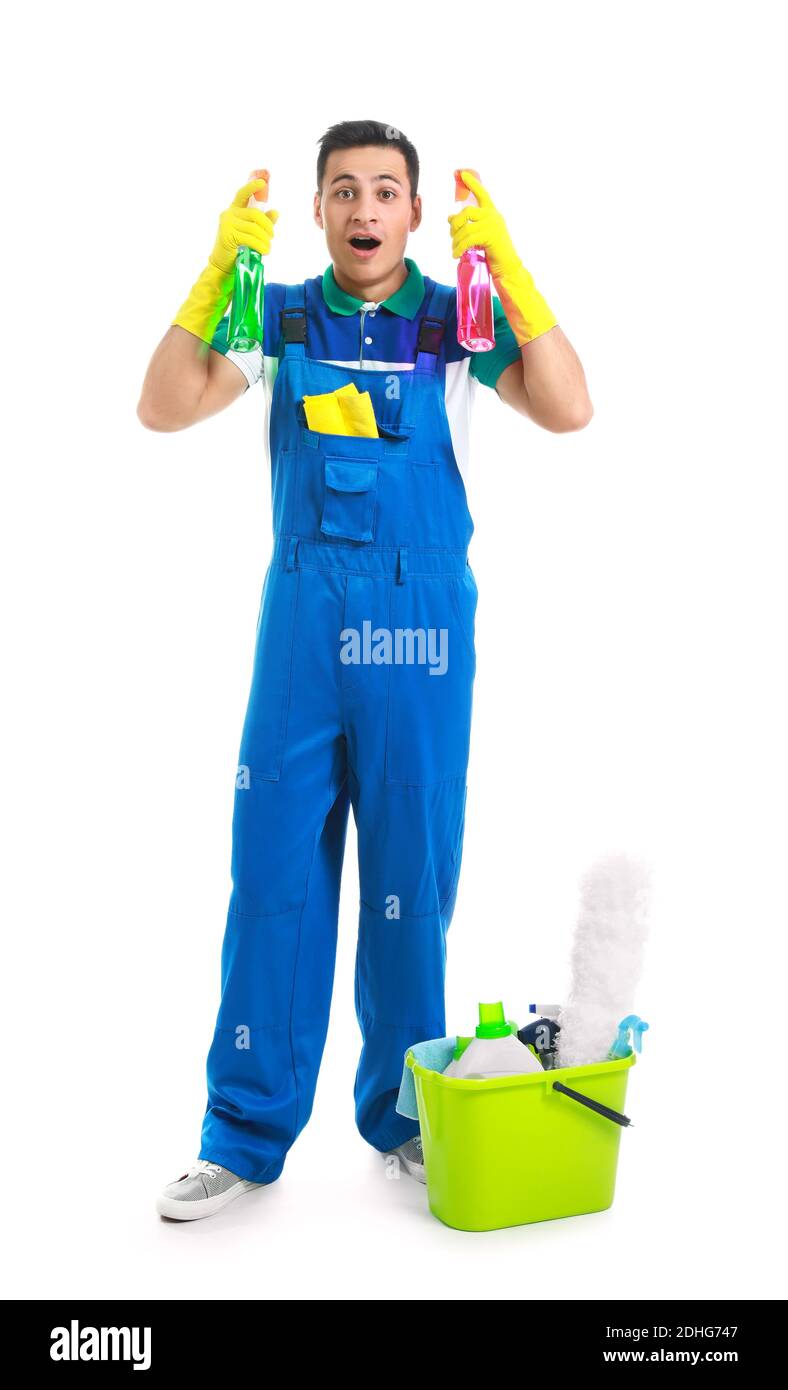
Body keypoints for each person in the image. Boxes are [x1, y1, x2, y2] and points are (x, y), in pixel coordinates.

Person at [139, 119, 593, 1222]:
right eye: (342, 190)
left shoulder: (458, 319)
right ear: (316, 210)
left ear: (414, 213)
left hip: (420, 622)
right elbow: (161, 405)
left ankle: (403, 1118)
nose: (362, 209)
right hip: (299, 623)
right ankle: (243, 1135)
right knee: (273, 874)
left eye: (384, 190)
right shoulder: (277, 312)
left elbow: (568, 406)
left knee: (409, 878)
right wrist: (215, 276)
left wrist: (512, 271)